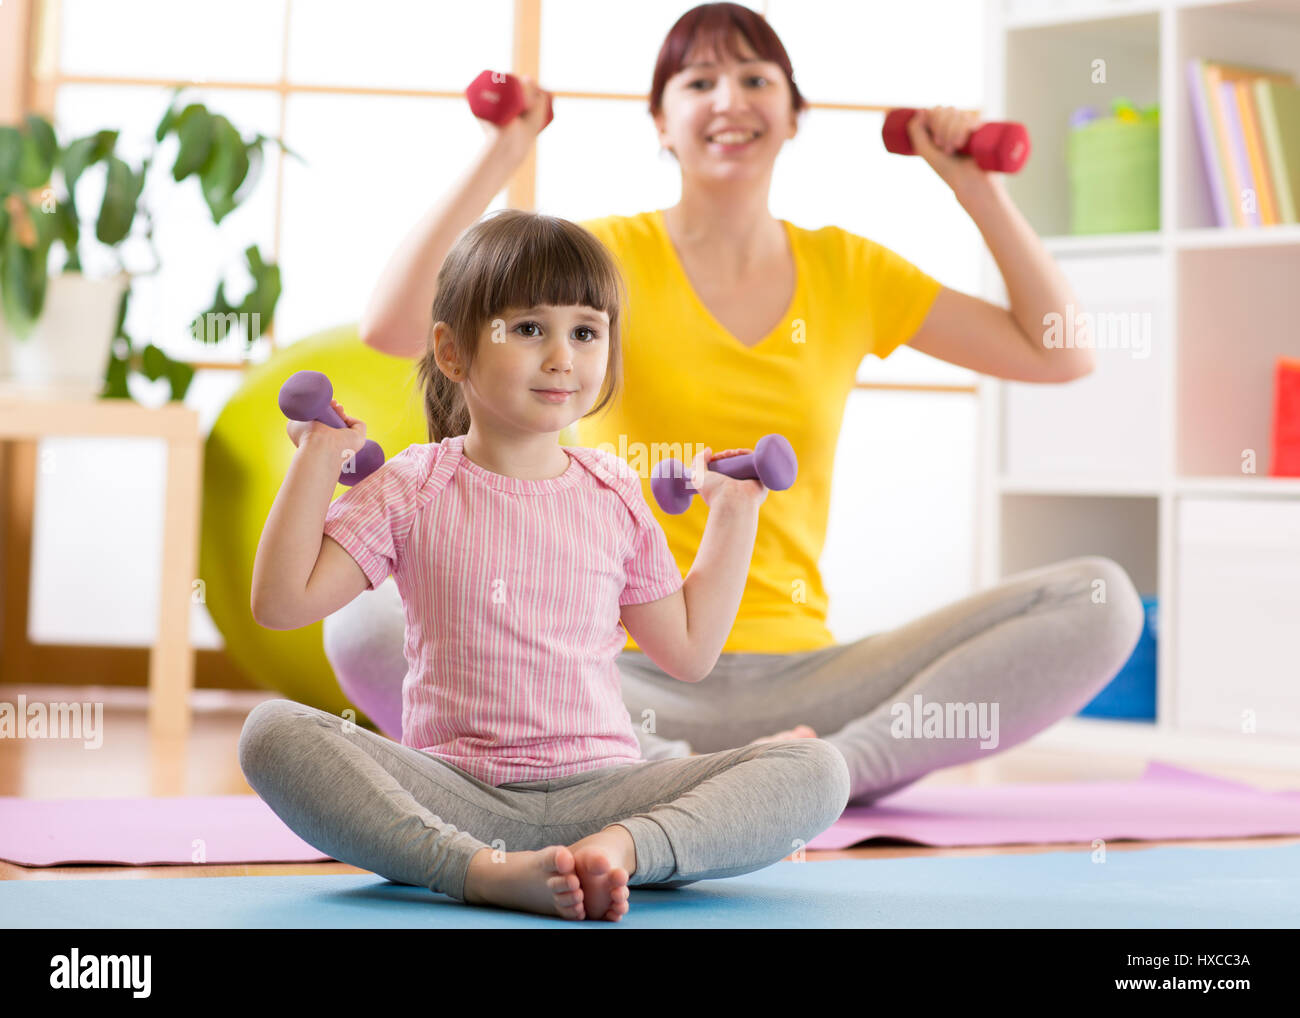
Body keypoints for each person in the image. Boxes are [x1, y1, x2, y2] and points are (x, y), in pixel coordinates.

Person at [335, 2, 1145, 804]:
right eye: (699, 81)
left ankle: (825, 770)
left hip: (808, 681)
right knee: (363, 621)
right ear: (660, 121)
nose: (730, 99)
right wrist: (500, 152)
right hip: (603, 675)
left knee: (1101, 599)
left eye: (756, 78)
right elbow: (400, 323)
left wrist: (978, 190)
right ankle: (688, 771)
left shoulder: (849, 270)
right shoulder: (606, 262)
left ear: (794, 116)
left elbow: (1059, 351)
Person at [240, 209, 851, 921]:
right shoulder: (411, 486)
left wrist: (736, 511)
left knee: (816, 771)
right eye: (530, 329)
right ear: (452, 351)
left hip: (607, 789)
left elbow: (688, 652)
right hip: (457, 792)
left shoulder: (615, 492)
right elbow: (281, 603)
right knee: (272, 733)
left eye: (586, 332)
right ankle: (481, 872)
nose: (563, 356)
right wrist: (319, 455)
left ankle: (623, 851)